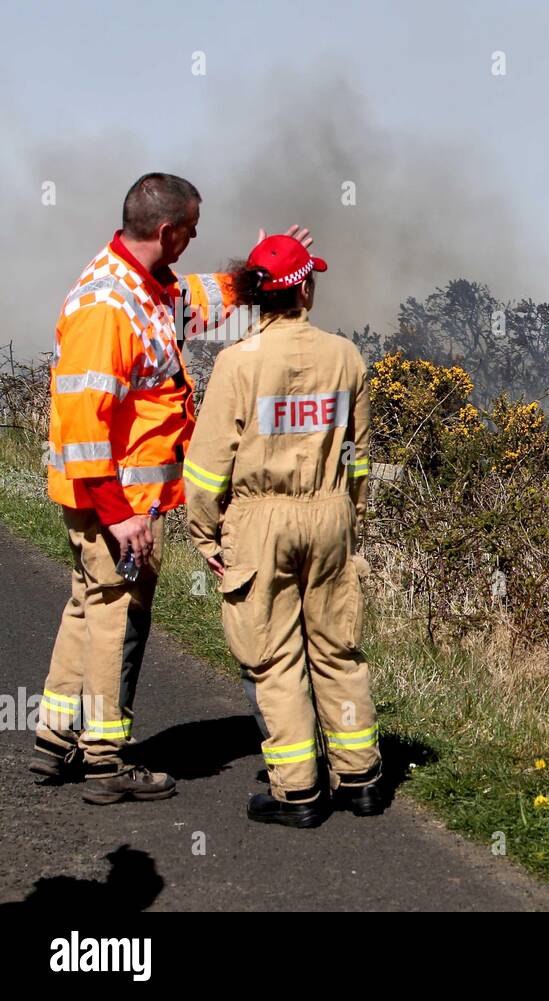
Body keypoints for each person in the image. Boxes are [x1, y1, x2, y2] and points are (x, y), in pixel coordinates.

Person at [32, 171, 311, 805]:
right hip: (117, 499)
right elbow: (82, 424)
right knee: (114, 615)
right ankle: (106, 760)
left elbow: (198, 299)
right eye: (190, 230)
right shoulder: (109, 306)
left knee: (87, 601)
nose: (194, 239)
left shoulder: (144, 288)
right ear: (166, 230)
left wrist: (257, 277)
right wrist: (118, 513)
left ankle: (54, 737)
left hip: (124, 496)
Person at [184, 234, 382, 828]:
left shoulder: (238, 362)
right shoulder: (347, 357)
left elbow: (205, 466)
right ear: (305, 291)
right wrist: (350, 518)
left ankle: (297, 790)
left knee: (273, 657)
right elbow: (359, 455)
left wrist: (206, 536)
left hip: (258, 520)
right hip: (330, 516)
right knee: (337, 647)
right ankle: (361, 777)